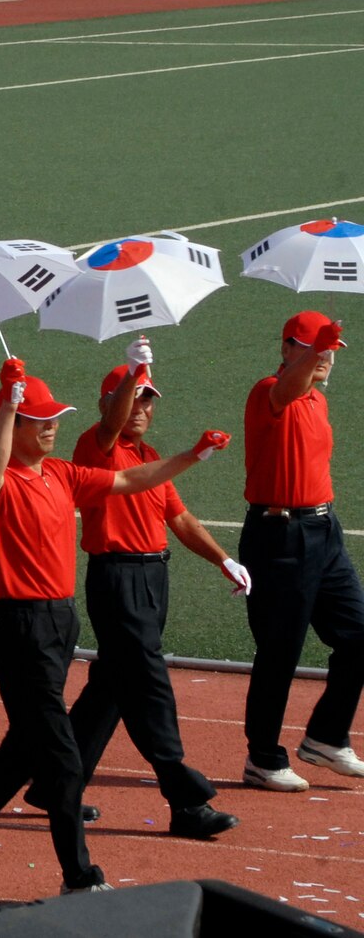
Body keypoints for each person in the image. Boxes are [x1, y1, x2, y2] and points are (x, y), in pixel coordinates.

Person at [0, 359, 228, 893]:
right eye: (39, 420)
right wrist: (10, 403)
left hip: (60, 622)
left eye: (54, 419)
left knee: (23, 747)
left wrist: (191, 456)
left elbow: (130, 479)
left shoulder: (61, 474)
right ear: (13, 425)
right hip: (20, 627)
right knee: (61, 758)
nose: (52, 427)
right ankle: (79, 878)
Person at [31, 348, 240, 838]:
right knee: (149, 685)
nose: (142, 408)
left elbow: (180, 519)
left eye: (149, 400)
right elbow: (112, 423)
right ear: (109, 403)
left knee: (111, 689)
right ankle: (185, 801)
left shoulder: (148, 457)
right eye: (134, 399)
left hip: (151, 580)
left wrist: (224, 560)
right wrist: (133, 372)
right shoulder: (96, 445)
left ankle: (54, 785)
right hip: (118, 579)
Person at [240, 310, 364, 789]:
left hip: (324, 532)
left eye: (330, 351)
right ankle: (263, 758)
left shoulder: (317, 400)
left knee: (358, 636)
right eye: (314, 349)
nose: (326, 358)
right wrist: (315, 353)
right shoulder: (269, 391)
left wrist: (319, 350)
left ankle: (326, 737)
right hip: (279, 536)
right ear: (287, 348)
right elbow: (286, 389)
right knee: (280, 650)